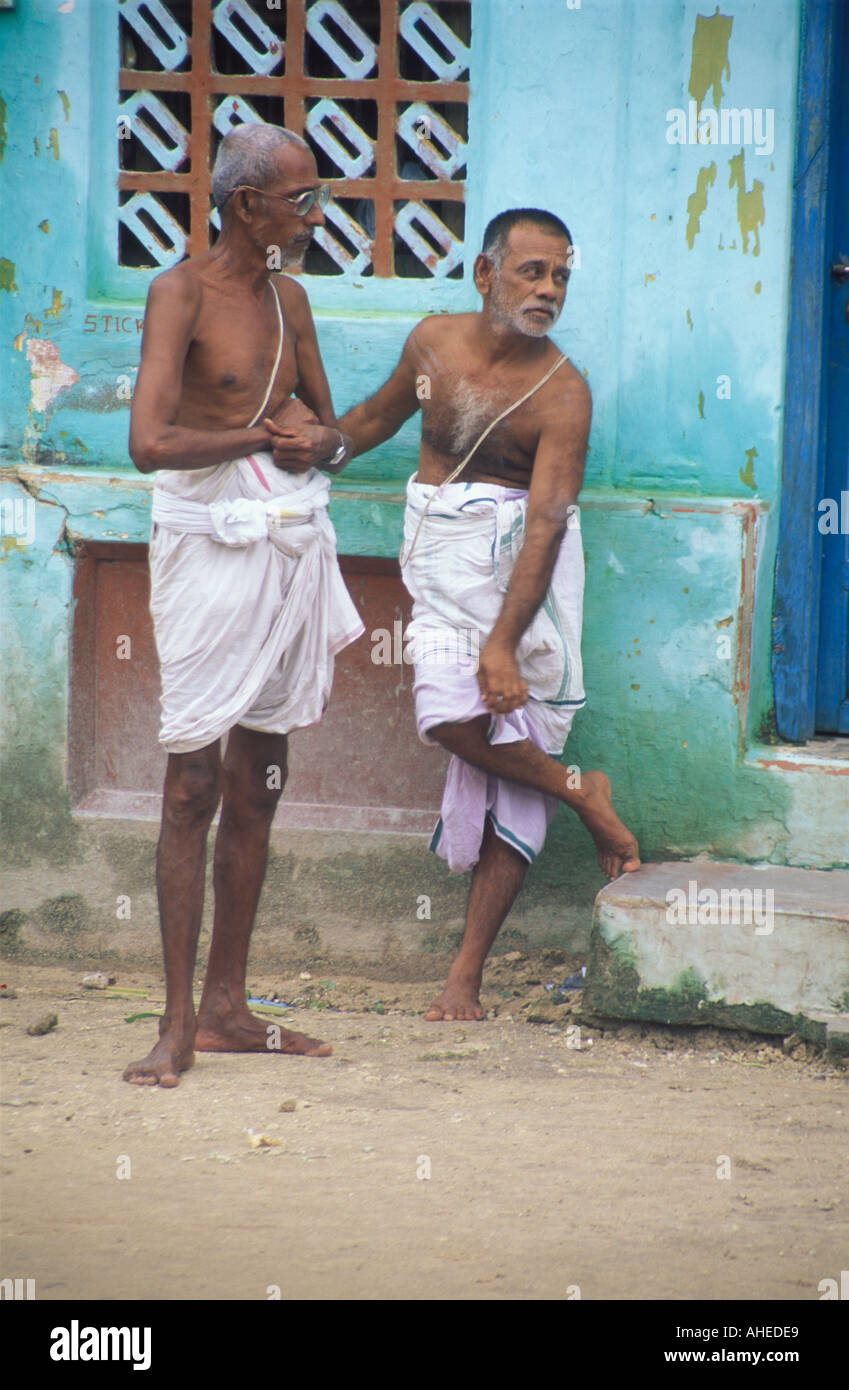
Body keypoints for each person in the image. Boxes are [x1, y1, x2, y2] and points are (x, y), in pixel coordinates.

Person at [338, 208, 641, 1023]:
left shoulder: (564, 393)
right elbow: (374, 418)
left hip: (520, 584)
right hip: (441, 574)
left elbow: (545, 521)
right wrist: (317, 450)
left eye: (561, 276)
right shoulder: (433, 343)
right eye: (531, 271)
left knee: (509, 770)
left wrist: (503, 644)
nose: (547, 289)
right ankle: (581, 791)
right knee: (449, 721)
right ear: (484, 274)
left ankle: (462, 980)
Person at [124, 124, 363, 1085]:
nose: (313, 217)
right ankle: (176, 1021)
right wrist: (260, 441)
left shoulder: (292, 301)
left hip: (285, 540)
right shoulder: (178, 291)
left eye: (316, 199)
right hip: (207, 541)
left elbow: (334, 432)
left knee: (261, 776)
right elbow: (147, 444)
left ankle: (230, 1006)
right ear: (245, 205)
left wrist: (317, 449)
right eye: (300, 201)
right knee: (191, 784)